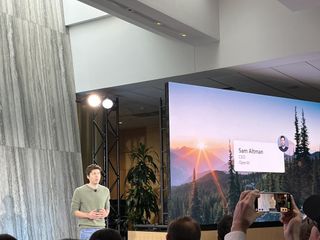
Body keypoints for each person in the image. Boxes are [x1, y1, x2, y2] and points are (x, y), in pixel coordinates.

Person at [71, 164, 110, 240]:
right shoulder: (79, 191)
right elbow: (74, 211)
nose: (97, 176)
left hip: (102, 229)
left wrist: (105, 213)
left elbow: (107, 208)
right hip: (86, 229)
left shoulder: (105, 190)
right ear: (88, 176)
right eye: (94, 173)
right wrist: (88, 215)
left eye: (98, 173)